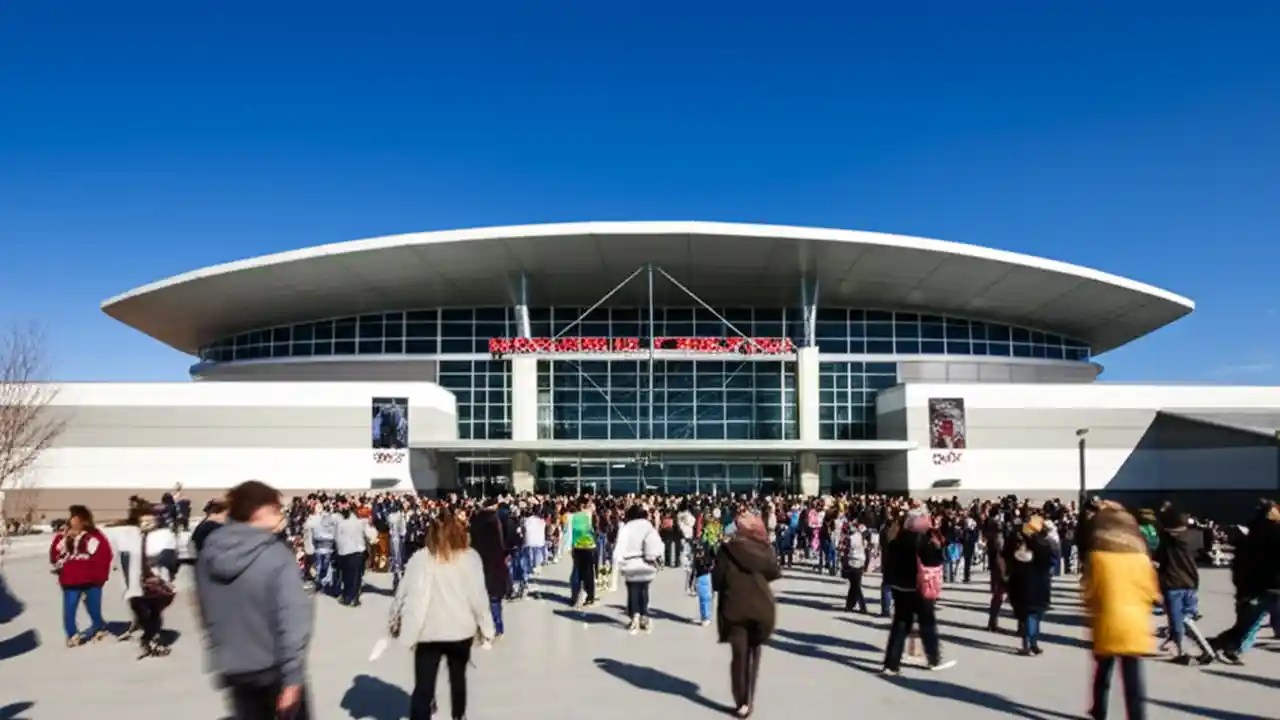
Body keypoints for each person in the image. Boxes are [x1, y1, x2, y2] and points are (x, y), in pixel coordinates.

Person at [196, 480, 313, 720]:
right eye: (276, 509)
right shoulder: (275, 554)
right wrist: (293, 679)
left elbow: (205, 610)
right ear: (260, 510)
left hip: (234, 668)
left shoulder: (208, 552)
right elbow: (292, 620)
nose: (281, 515)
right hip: (274, 668)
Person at [389, 515, 496, 720]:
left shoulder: (420, 559)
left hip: (428, 631)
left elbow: (403, 591)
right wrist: (487, 627)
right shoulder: (469, 558)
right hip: (460, 630)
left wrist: (395, 618)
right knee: (458, 679)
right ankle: (458, 715)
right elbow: (478, 597)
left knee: (423, 685)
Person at [1083, 503, 1158, 720]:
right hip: (1134, 623)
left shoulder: (1097, 558)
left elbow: (1090, 592)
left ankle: (1099, 710)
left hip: (1107, 620)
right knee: (1132, 674)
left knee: (1103, 671)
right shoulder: (1142, 559)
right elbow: (1151, 592)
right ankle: (1136, 715)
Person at [712, 512, 781, 718]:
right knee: (753, 654)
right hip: (761, 607)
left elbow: (717, 580)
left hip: (734, 607)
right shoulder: (764, 548)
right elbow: (774, 572)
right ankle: (749, 698)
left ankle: (741, 702)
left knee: (739, 656)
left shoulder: (727, 550)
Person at [881, 511, 955, 674]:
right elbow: (934, 562)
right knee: (927, 623)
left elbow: (889, 561)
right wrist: (937, 547)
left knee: (900, 624)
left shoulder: (897, 540)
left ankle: (891, 664)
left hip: (900, 587)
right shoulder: (923, 541)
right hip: (919, 587)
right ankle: (934, 658)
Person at [1209, 500, 1280, 664]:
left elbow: (1239, 566)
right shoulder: (1272, 535)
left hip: (1255, 589)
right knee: (1247, 625)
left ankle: (1228, 648)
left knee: (1248, 624)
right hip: (1265, 588)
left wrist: (1241, 588)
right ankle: (1220, 645)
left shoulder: (1249, 536)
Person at [115, 504, 176, 659]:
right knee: (141, 610)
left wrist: (159, 564)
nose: (147, 524)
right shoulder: (132, 537)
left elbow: (170, 559)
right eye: (143, 521)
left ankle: (150, 639)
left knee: (153, 611)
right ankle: (149, 637)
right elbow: (125, 559)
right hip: (137, 582)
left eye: (150, 521)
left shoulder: (163, 536)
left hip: (156, 581)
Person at [49, 504, 113, 647]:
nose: (72, 520)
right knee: (70, 607)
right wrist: (61, 560)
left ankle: (99, 627)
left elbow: (104, 555)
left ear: (83, 519)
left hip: (91, 578)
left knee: (93, 607)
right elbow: (54, 554)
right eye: (71, 517)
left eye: (75, 517)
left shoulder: (94, 535)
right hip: (71, 579)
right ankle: (72, 634)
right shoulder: (63, 536)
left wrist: (100, 576)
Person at [1156, 510, 1214, 665]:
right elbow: (1207, 545)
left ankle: (1181, 649)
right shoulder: (1194, 537)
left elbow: (1158, 557)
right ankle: (1183, 641)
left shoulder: (1168, 541)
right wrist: (1205, 529)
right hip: (1191, 581)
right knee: (1185, 617)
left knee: (1177, 619)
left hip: (1172, 582)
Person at [613, 504, 664, 634]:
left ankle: (634, 616)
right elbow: (656, 543)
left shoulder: (627, 527)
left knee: (633, 590)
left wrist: (617, 562)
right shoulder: (648, 526)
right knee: (644, 589)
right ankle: (644, 614)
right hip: (646, 562)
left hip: (630, 562)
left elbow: (620, 545)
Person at [1006, 516, 1052, 656]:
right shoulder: (1044, 544)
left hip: (1024, 584)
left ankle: (1028, 645)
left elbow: (1012, 560)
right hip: (1040, 585)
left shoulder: (1021, 543)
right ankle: (1033, 643)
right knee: (1035, 615)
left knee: (1026, 616)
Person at [469, 499, 511, 640]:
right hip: (495, 565)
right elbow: (504, 543)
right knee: (495, 600)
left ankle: (483, 628)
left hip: (479, 564)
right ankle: (498, 628)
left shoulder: (475, 521)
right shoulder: (497, 521)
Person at [335, 503, 368, 606]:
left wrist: (339, 550)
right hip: (358, 551)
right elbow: (370, 534)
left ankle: (347, 597)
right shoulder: (360, 522)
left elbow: (336, 538)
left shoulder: (341, 524)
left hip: (344, 552)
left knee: (346, 576)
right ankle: (354, 597)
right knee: (356, 576)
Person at [568, 500, 598, 607]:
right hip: (590, 546)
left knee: (577, 572)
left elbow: (570, 534)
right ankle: (590, 596)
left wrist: (571, 548)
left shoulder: (572, 517)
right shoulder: (589, 515)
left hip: (577, 547)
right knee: (589, 572)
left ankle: (575, 597)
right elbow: (594, 530)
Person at [840, 519, 868, 613]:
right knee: (855, 585)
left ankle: (857, 606)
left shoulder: (849, 538)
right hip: (860, 561)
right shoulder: (861, 537)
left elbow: (844, 549)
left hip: (852, 561)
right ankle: (852, 605)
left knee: (855, 585)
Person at [692, 540, 716, 626]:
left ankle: (706, 617)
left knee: (704, 596)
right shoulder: (704, 546)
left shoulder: (704, 546)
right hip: (703, 573)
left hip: (703, 573)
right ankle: (704, 616)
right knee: (703, 596)